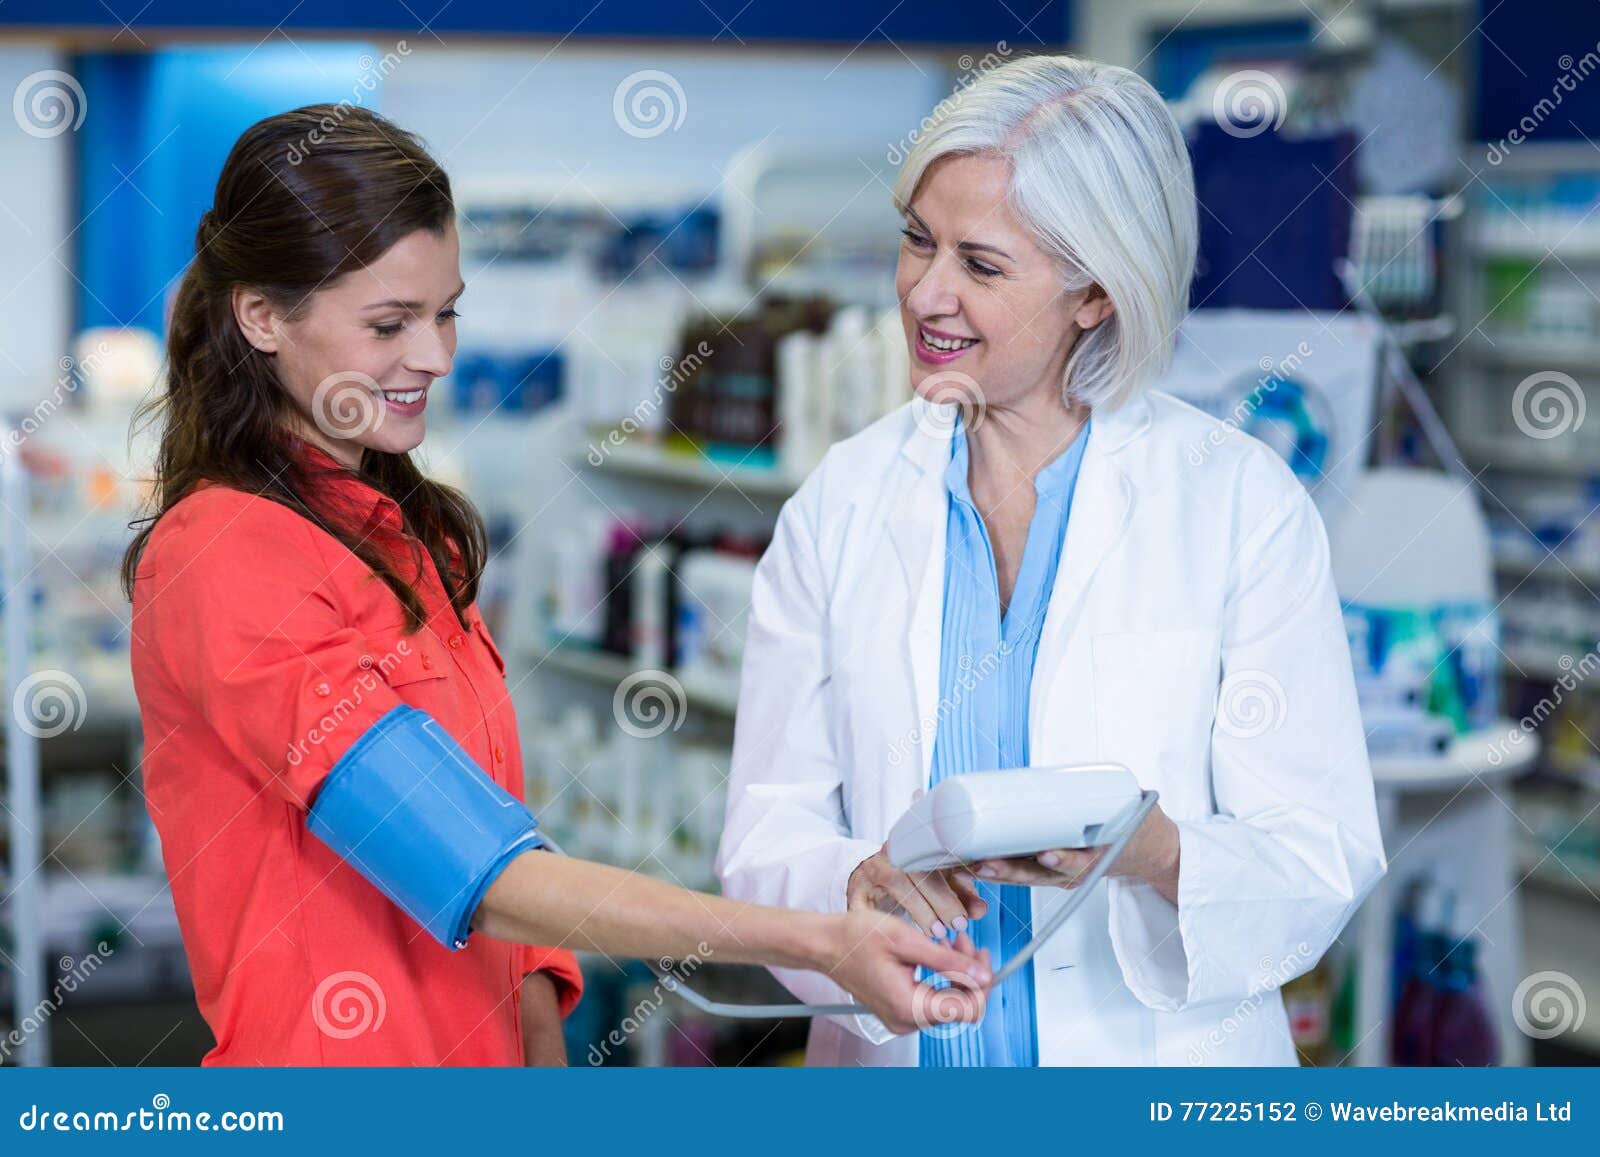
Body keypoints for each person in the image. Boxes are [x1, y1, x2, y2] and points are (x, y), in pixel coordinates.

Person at [125, 104, 990, 1067]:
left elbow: (500, 839)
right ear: (260, 317)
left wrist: (542, 1047)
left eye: (446, 311)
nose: (434, 356)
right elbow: (473, 865)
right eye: (388, 323)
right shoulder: (225, 553)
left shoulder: (410, 535)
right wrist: (821, 939)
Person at [717, 54, 1387, 1066]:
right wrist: (852, 881)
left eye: (981, 265)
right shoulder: (842, 502)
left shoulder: (1236, 502)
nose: (926, 294)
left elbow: (1320, 848)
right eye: (915, 242)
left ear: (1093, 292)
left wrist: (1160, 854)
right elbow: (768, 824)